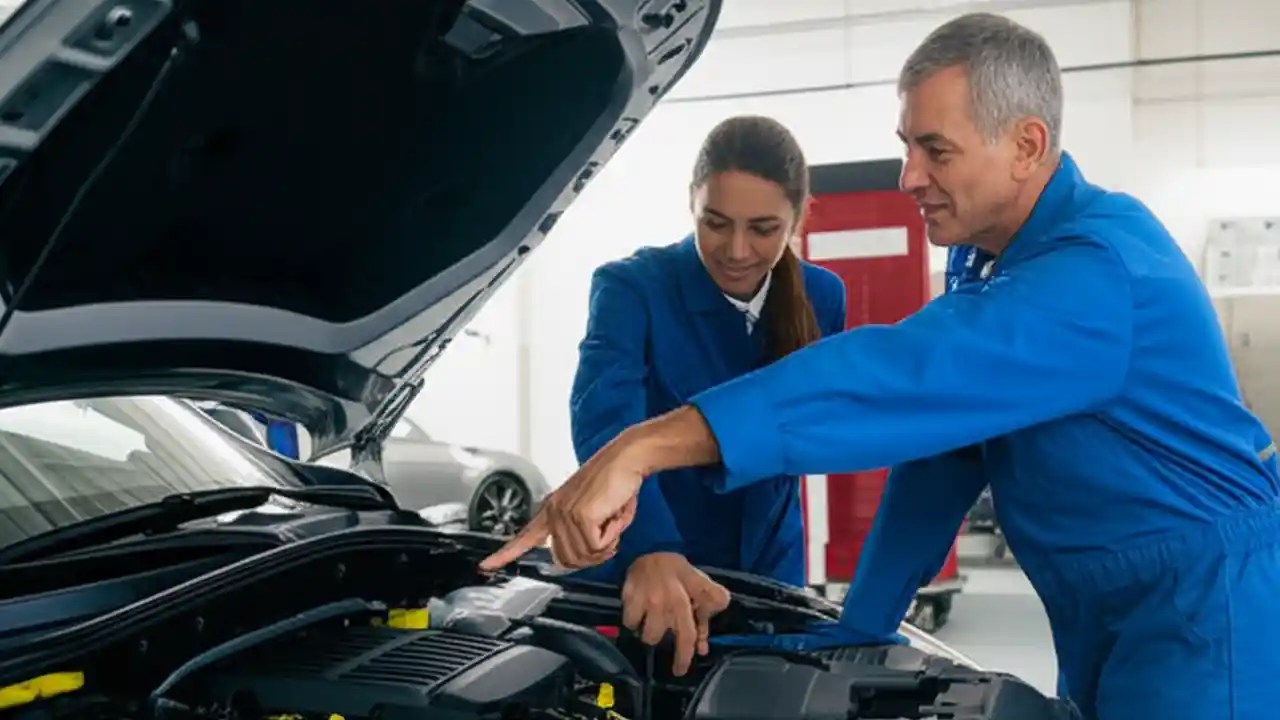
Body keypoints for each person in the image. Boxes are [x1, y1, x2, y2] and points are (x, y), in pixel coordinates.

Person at [483, 12, 1280, 720]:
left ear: (1027, 145)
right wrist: (862, 625)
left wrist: (642, 447)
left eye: (936, 150)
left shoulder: (1095, 271)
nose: (909, 178)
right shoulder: (990, 260)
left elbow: (897, 374)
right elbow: (945, 450)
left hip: (1205, 613)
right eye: (907, 146)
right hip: (1111, 607)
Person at [563, 114, 848, 676]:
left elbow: (812, 431)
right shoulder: (632, 287)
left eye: (763, 229)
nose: (737, 250)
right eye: (715, 223)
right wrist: (649, 548)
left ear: (798, 216)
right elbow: (604, 421)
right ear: (691, 203)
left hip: (769, 571)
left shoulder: (822, 296)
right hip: (649, 560)